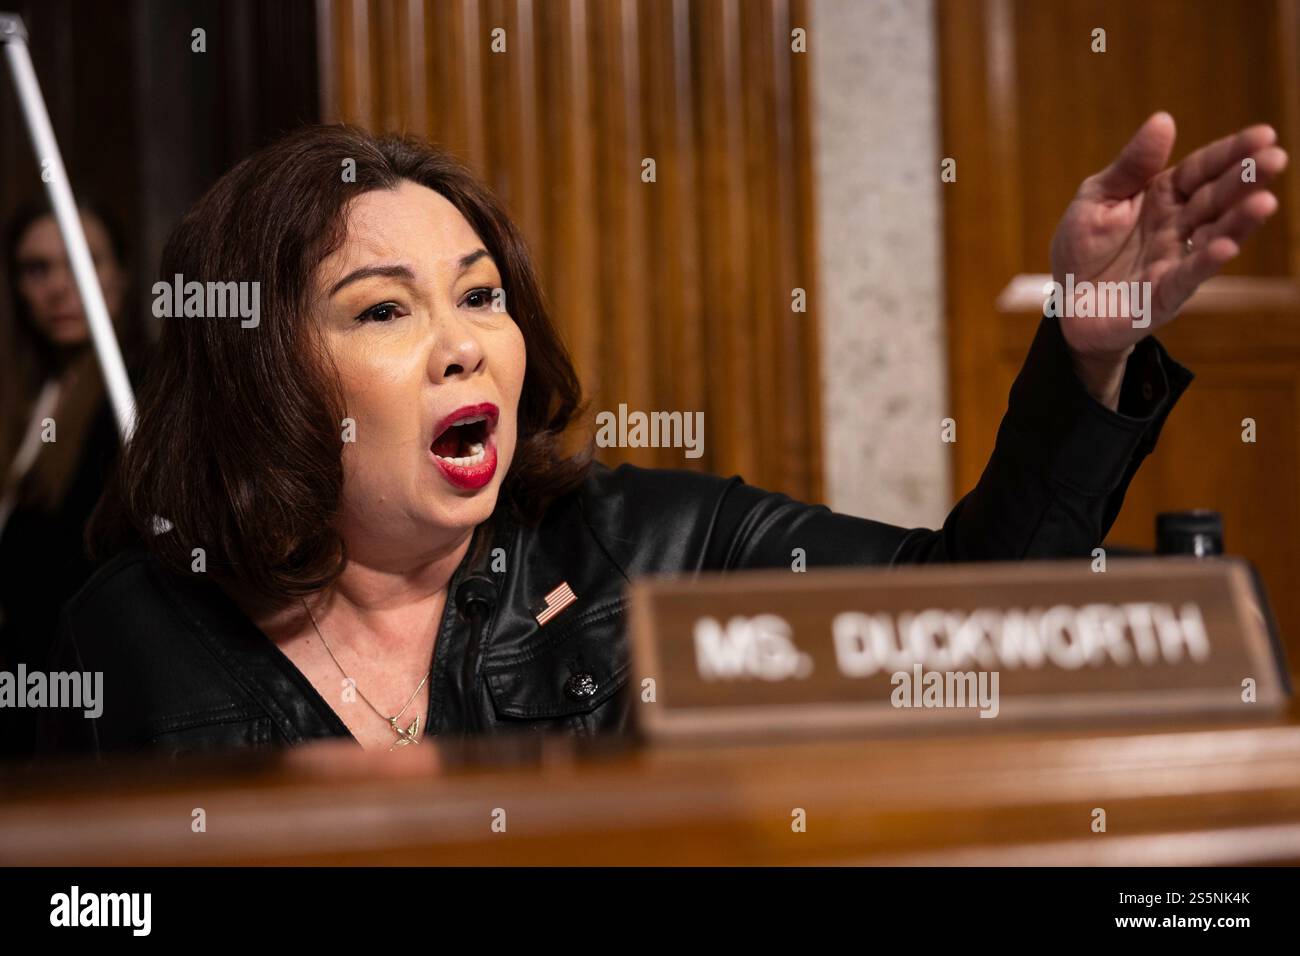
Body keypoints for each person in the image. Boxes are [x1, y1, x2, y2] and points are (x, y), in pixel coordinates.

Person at [32, 115, 1287, 755]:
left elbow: (976, 613)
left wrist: (1087, 343)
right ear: (263, 371)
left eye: (480, 294)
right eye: (382, 310)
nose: (466, 340)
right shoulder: (129, 637)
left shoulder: (659, 542)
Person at [0, 198, 144, 759]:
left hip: (76, 709)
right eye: (37, 269)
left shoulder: (138, 397)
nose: (60, 287)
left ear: (120, 277)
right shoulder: (28, 400)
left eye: (84, 263)